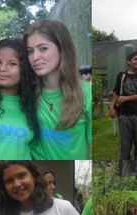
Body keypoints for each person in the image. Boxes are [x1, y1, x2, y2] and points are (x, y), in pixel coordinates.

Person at [24, 19, 91, 160]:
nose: (35, 57)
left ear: (62, 49)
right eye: (30, 51)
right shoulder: (25, 94)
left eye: (43, 48)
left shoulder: (86, 94)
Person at [109, 51, 137, 160]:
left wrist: (126, 98)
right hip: (124, 114)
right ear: (129, 61)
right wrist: (112, 107)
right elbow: (116, 92)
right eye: (135, 59)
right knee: (125, 143)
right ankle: (124, 166)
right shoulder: (122, 75)